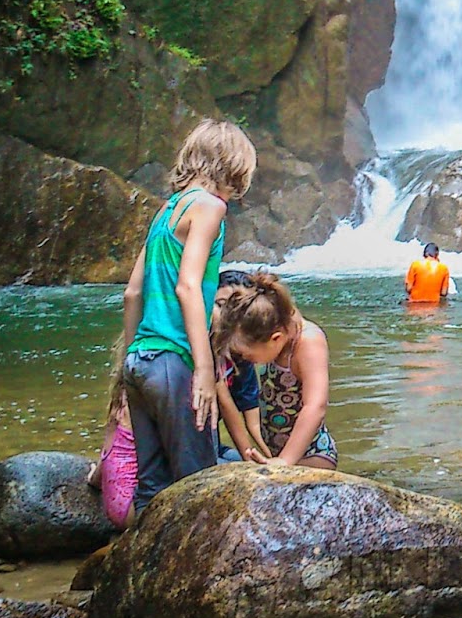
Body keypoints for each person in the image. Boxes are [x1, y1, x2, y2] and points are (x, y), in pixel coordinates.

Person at [120, 119, 256, 512]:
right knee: (197, 488)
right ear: (234, 165)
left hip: (141, 362)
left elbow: (132, 293)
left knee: (150, 490)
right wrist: (203, 370)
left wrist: (129, 362)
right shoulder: (210, 207)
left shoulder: (166, 210)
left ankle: (142, 570)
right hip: (173, 364)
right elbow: (188, 286)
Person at [216, 273, 337, 469]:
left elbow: (315, 407)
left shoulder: (308, 342)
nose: (244, 359)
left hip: (313, 455)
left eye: (247, 354)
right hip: (281, 453)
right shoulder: (278, 326)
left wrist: (285, 460)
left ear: (275, 338)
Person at [212, 269, 269, 464]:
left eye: (238, 309)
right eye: (220, 305)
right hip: (188, 447)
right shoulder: (199, 346)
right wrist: (248, 459)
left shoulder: (240, 353)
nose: (228, 316)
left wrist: (275, 460)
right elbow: (227, 409)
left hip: (212, 444)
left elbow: (252, 418)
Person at [87, 338, 136, 529]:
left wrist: (94, 479)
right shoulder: (147, 395)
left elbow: (108, 453)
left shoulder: (119, 398)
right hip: (134, 508)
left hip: (116, 508)